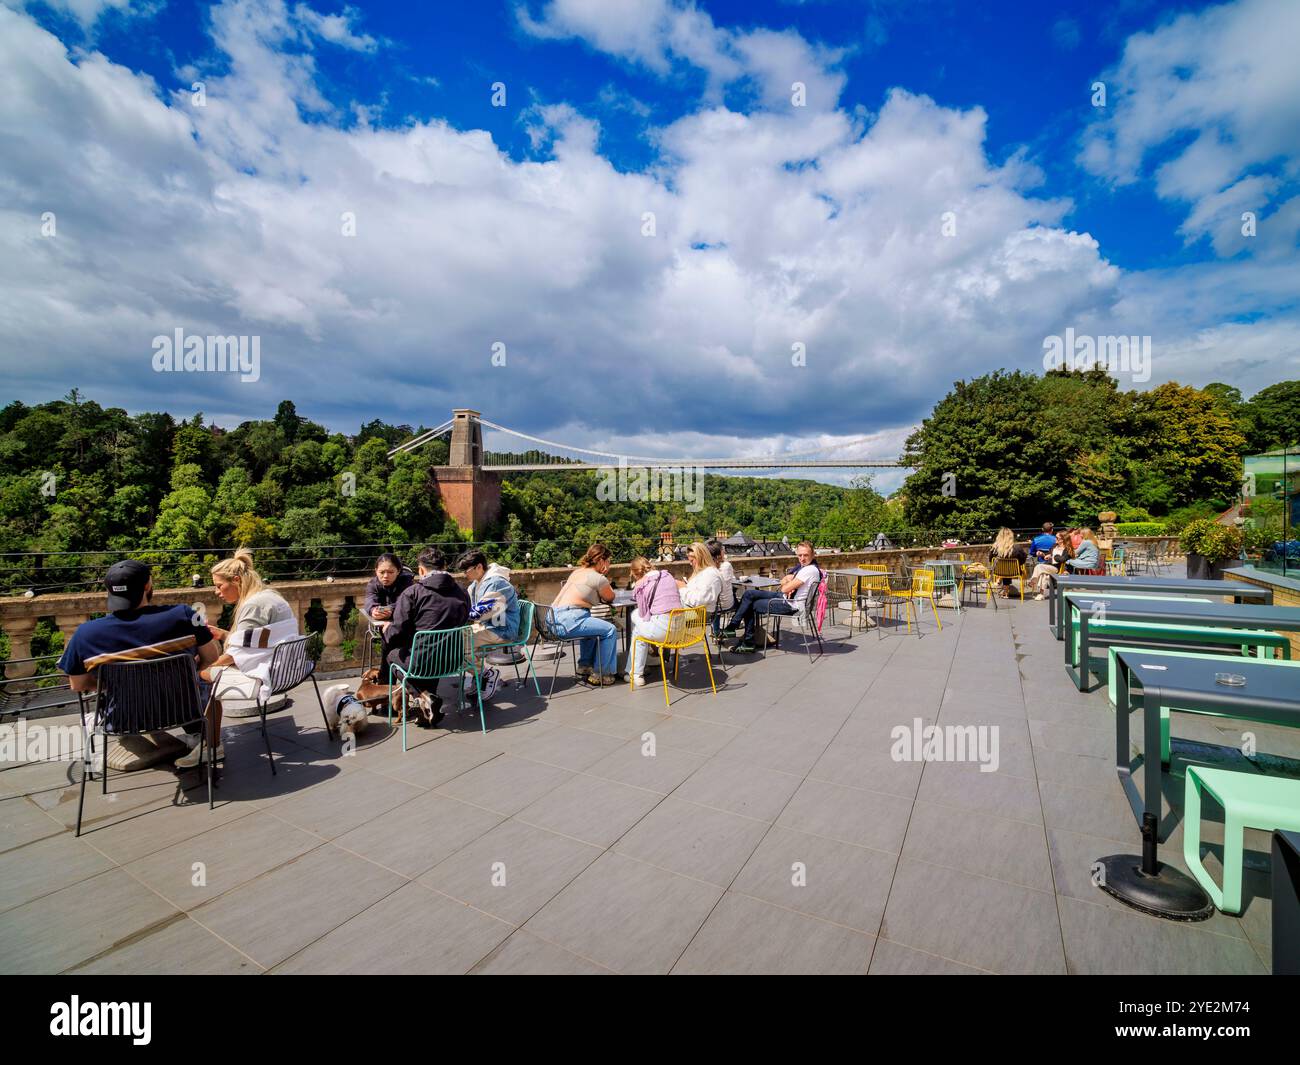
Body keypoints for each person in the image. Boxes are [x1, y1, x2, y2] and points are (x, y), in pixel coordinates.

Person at [58, 560, 220, 772]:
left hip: (122, 720)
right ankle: (197, 734)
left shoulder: (86, 634)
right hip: (185, 712)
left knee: (92, 712)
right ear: (147, 586)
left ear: (108, 591)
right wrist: (191, 676)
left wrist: (114, 685)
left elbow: (78, 685)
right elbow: (211, 657)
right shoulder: (185, 615)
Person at [193, 550, 300, 764]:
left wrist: (206, 667)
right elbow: (260, 640)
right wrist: (224, 634)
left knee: (200, 676)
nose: (216, 592)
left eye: (219, 585)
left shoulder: (253, 606)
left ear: (236, 580)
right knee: (205, 669)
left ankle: (209, 745)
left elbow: (234, 654)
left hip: (270, 674)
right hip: (289, 667)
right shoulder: (269, 595)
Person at [384, 546, 472, 726]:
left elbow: (398, 631)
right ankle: (427, 705)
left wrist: (386, 630)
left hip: (423, 661)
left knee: (392, 655)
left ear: (421, 570)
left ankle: (422, 696)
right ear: (445, 566)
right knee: (428, 655)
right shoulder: (462, 591)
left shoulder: (413, 593)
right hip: (453, 660)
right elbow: (465, 619)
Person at [724, 541, 821, 653]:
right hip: (787, 598)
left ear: (813, 555)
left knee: (750, 604)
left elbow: (784, 588)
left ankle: (747, 641)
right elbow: (785, 580)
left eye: (806, 555)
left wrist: (789, 583)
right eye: (800, 555)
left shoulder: (808, 570)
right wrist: (789, 582)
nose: (802, 558)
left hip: (791, 605)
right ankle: (734, 626)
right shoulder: (806, 568)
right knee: (749, 594)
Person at [548, 543, 619, 685]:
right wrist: (603, 576)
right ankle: (602, 674)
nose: (609, 565)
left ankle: (585, 666)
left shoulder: (577, 572)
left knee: (592, 625)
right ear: (601, 561)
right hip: (568, 621)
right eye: (608, 561)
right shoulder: (598, 578)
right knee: (610, 630)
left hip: (552, 620)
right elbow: (610, 597)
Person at [456, 549, 521, 701]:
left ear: (479, 567)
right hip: (490, 626)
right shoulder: (477, 583)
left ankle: (485, 674)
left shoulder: (496, 583)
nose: (464, 573)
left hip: (502, 629)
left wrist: (454, 614)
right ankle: (479, 676)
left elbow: (481, 611)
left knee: (458, 643)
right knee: (454, 638)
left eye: (467, 570)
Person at [627, 556, 682, 688]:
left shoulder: (641, 585)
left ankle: (635, 674)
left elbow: (642, 612)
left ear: (635, 573)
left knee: (635, 619)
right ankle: (635, 672)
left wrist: (637, 584)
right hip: (680, 630)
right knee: (639, 630)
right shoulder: (667, 575)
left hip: (662, 632)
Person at [362, 553, 413, 680]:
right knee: (389, 636)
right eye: (382, 572)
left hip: (405, 625)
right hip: (384, 626)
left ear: (398, 571)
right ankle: (391, 678)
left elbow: (409, 603)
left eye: (390, 572)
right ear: (376, 571)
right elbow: (369, 601)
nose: (385, 576)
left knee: (392, 636)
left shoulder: (407, 582)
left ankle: (387, 679)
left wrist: (391, 610)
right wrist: (373, 610)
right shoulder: (373, 584)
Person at [678, 541, 723, 614]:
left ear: (700, 557)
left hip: (698, 616)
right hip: (691, 612)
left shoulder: (710, 574)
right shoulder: (704, 572)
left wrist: (682, 588)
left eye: (692, 561)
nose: (690, 564)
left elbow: (699, 600)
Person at [988, 527, 1028, 598]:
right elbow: (1023, 559)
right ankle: (1006, 591)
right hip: (1014, 572)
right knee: (1008, 569)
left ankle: (1005, 590)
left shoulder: (994, 548)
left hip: (998, 572)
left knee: (1004, 570)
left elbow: (991, 560)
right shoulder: (1017, 548)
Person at [1030, 532, 1072, 600]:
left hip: (1057, 568)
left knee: (1039, 566)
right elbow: (1049, 554)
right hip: (1049, 566)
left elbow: (1063, 559)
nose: (1055, 539)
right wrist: (1042, 553)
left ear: (1062, 539)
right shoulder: (1054, 546)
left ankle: (1033, 581)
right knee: (1043, 573)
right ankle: (1041, 594)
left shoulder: (1067, 549)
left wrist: (1054, 556)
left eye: (1057, 538)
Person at [706, 540, 736, 613]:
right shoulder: (726, 565)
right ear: (719, 553)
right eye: (722, 550)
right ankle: (735, 621)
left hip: (710, 605)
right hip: (725, 605)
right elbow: (733, 581)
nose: (724, 552)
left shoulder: (706, 567)